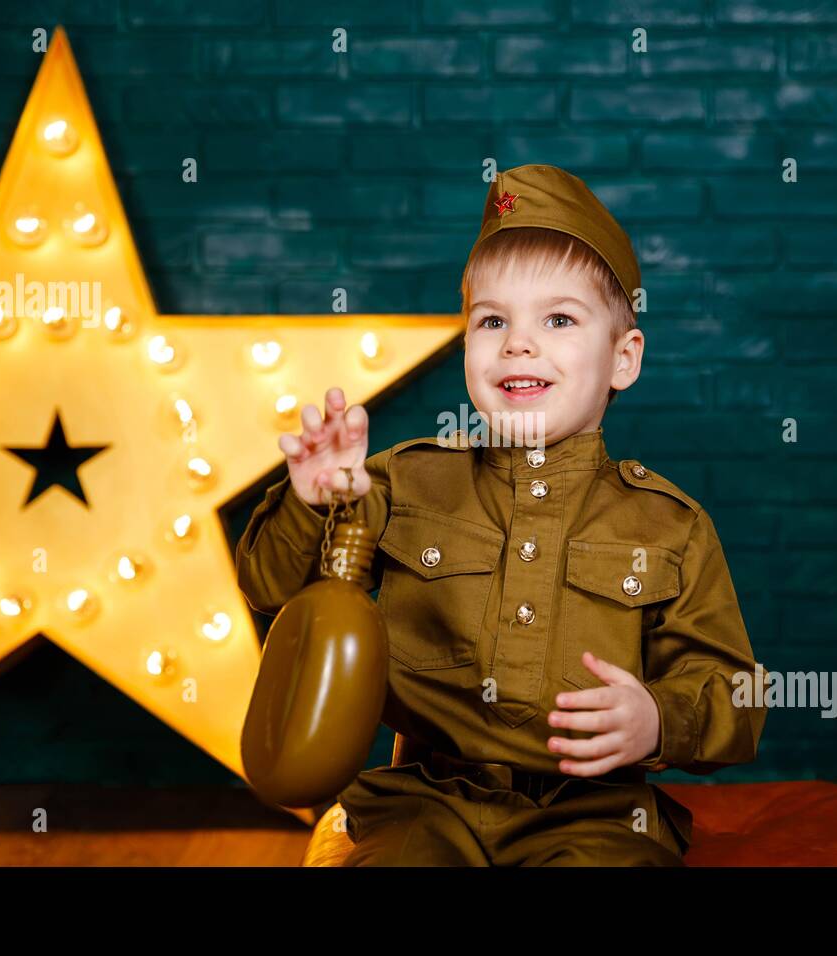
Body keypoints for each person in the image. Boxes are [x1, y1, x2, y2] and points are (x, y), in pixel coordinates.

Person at [236, 164, 767, 865]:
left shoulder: (667, 527)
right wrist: (312, 500)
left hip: (595, 814)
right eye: (493, 320)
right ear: (467, 349)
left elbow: (735, 694)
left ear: (623, 359)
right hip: (426, 801)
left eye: (559, 318)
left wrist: (658, 719)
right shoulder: (403, 482)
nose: (519, 342)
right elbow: (272, 590)